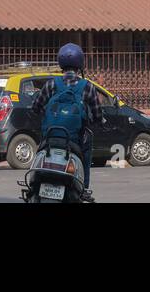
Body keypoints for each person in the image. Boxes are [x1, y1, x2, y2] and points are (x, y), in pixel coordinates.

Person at [31, 43, 105, 201]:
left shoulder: (51, 84)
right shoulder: (87, 87)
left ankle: (33, 184)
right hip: (74, 142)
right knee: (87, 149)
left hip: (50, 139)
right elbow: (97, 114)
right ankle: (84, 188)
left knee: (40, 151)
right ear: (80, 64)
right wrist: (99, 121)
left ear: (61, 63)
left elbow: (36, 107)